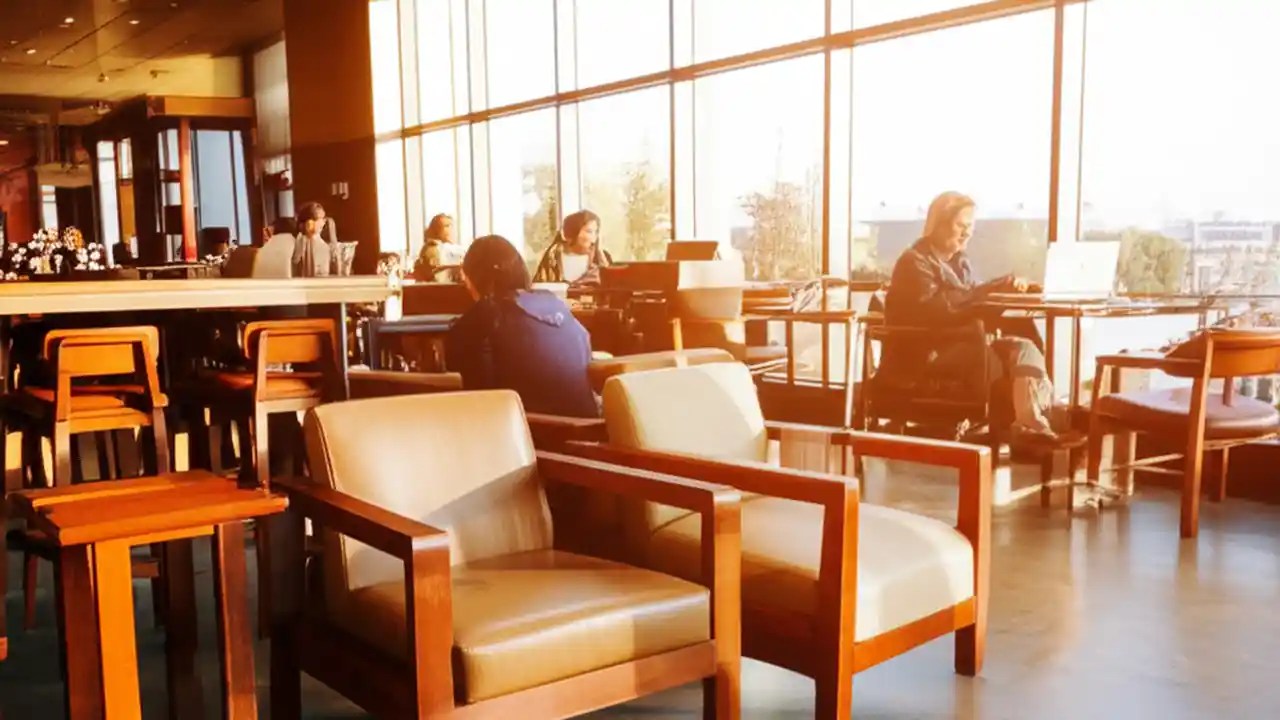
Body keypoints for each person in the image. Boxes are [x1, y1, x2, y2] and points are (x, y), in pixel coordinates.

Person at [883, 191, 1058, 441]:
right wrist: (995, 289)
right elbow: (941, 310)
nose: (968, 233)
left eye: (971, 227)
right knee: (1006, 357)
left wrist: (1013, 289)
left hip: (965, 341)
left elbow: (970, 300)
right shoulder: (914, 263)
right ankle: (1034, 426)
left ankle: (1031, 425)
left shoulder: (960, 263)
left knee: (1026, 347)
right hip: (930, 350)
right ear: (938, 224)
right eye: (961, 226)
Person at [447, 234, 598, 417]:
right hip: (588, 430)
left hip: (529, 437)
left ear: (470, 279)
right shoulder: (556, 305)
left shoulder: (480, 319)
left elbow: (475, 401)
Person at [533, 209, 611, 285]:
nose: (594, 237)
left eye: (596, 232)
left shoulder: (601, 259)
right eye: (589, 231)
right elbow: (540, 289)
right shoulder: (552, 257)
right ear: (572, 232)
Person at [412, 213, 462, 282]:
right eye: (447, 226)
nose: (451, 230)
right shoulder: (433, 248)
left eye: (451, 226)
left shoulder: (452, 248)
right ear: (436, 230)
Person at [291, 202, 332, 277]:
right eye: (319, 219)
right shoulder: (296, 242)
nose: (323, 223)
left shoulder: (324, 246)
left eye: (323, 219)